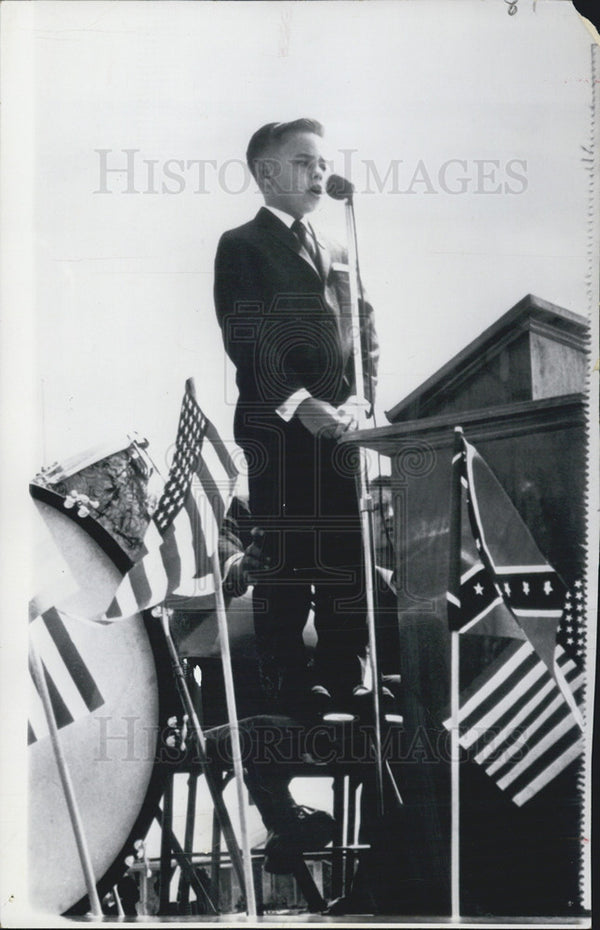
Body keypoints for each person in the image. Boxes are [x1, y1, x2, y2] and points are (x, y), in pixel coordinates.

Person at [214, 118, 379, 719]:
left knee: (344, 555)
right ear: (266, 173)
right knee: (285, 552)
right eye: (305, 162)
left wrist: (360, 400)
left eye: (324, 164)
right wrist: (303, 405)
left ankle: (345, 673)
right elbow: (248, 338)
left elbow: (364, 332)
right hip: (280, 429)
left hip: (342, 431)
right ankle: (289, 680)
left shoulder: (339, 248)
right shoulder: (243, 245)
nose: (320, 174)